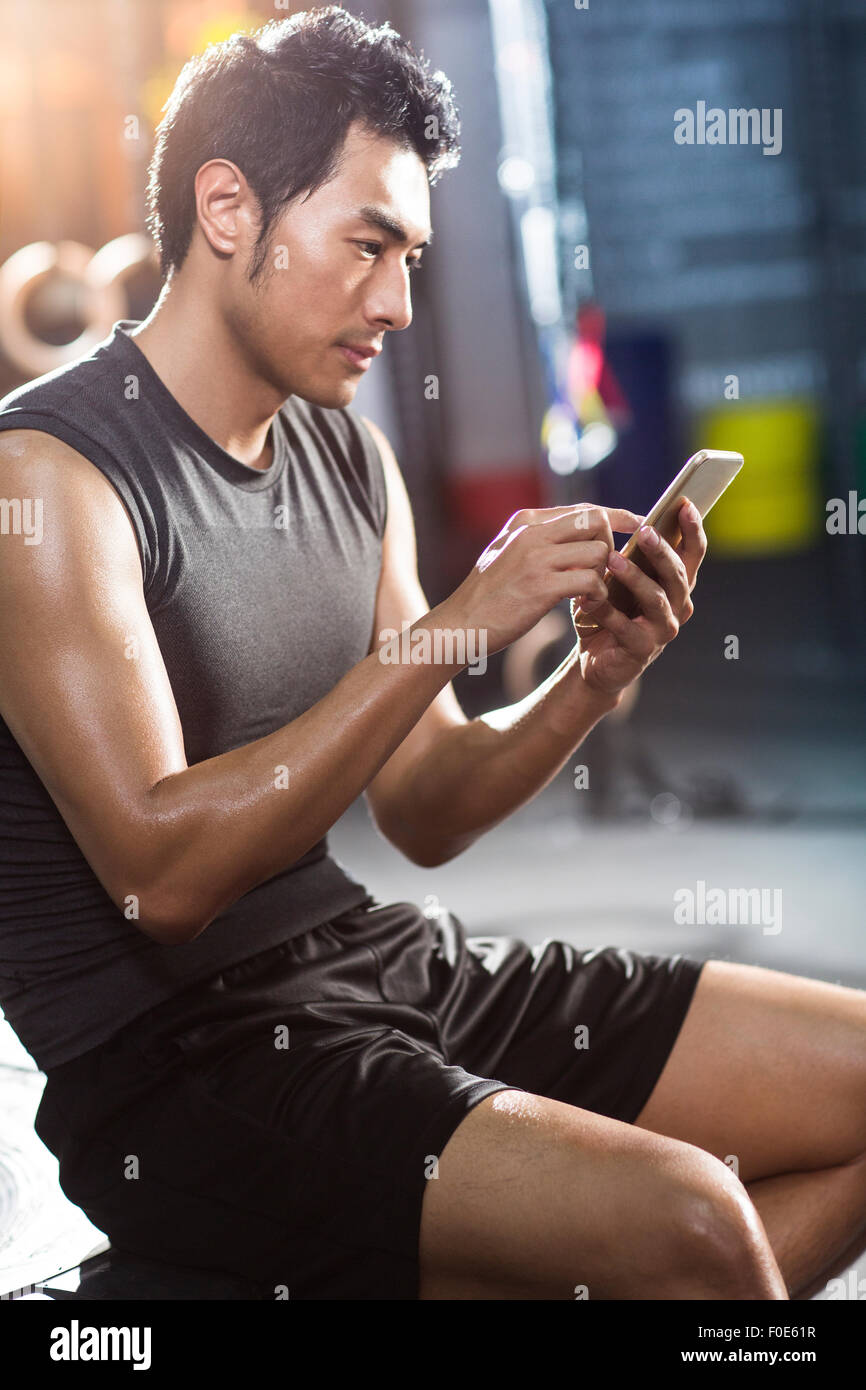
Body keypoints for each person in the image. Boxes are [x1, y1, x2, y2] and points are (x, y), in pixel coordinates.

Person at [0, 7, 863, 1302]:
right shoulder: (50, 479)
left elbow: (426, 806)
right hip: (185, 1064)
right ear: (228, 210)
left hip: (381, 964)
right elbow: (159, 876)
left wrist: (589, 682)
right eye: (368, 246)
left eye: (409, 256)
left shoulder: (345, 457)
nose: (398, 303)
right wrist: (461, 619)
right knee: (690, 1229)